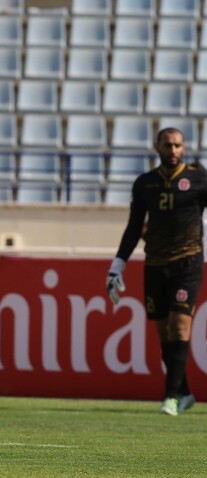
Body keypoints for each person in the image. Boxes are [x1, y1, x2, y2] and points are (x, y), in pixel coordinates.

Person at [106, 127, 205, 416]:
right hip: (155, 265)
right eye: (167, 145)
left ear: (184, 148)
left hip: (188, 262)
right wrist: (117, 264)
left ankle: (170, 397)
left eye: (177, 145)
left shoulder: (199, 179)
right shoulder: (145, 183)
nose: (172, 150)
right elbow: (134, 226)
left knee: (179, 326)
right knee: (164, 334)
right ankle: (184, 392)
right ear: (157, 147)